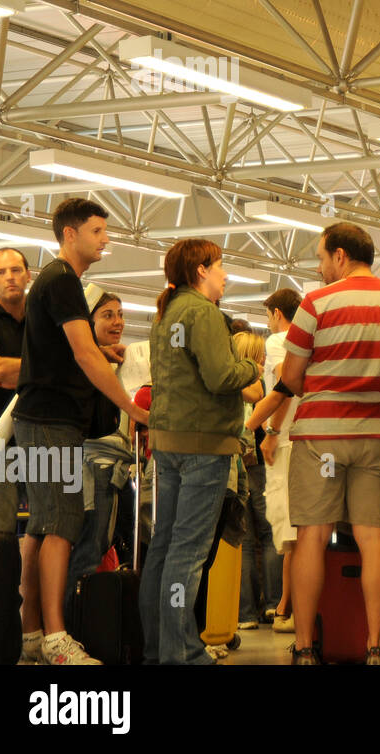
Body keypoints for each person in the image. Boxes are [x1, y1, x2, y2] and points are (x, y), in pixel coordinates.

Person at [279, 223, 380, 666]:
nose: (321, 268)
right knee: (374, 537)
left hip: (322, 438)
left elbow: (288, 377)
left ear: (340, 256)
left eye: (322, 258)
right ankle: (376, 646)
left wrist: (324, 388)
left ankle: (305, 648)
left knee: (312, 537)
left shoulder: (316, 303)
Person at [14, 199, 147, 666]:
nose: (105, 239)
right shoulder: (64, 281)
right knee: (62, 523)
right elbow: (85, 355)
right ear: (70, 234)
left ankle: (32, 634)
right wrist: (132, 407)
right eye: (96, 231)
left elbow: (76, 353)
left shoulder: (54, 282)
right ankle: (56, 637)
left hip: (42, 420)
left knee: (41, 525)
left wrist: (98, 359)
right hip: (50, 422)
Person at [140, 238, 261, 665]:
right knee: (188, 552)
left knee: (164, 546)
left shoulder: (165, 314)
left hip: (168, 442)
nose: (226, 275)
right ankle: (180, 655)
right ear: (202, 270)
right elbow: (220, 375)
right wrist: (253, 366)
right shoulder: (203, 313)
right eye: (222, 266)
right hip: (203, 445)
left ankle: (160, 648)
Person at [63, 290, 136, 611]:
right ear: (87, 322)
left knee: (98, 546)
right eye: (107, 315)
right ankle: (71, 624)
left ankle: (77, 623)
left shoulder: (114, 363)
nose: (117, 321)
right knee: (87, 549)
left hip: (110, 469)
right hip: (89, 467)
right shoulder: (81, 364)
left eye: (120, 314)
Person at [0, 248, 34, 659]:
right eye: (1, 272)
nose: (9, 277)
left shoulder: (44, 319)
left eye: (16, 269)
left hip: (44, 439)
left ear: (28, 274)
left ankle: (38, 630)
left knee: (54, 533)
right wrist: (51, 362)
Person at [248, 287, 301, 634]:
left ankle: (288, 605)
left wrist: (271, 430)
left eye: (268, 316)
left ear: (277, 315)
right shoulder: (306, 339)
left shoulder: (279, 340)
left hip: (286, 440)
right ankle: (286, 604)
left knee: (287, 526)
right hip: (304, 438)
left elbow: (285, 381)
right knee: (294, 528)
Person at [229, 329, 276, 632]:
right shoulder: (256, 380)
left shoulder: (226, 380)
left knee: (242, 540)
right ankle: (274, 604)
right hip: (258, 463)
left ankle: (244, 613)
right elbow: (260, 399)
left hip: (233, 461)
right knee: (269, 534)